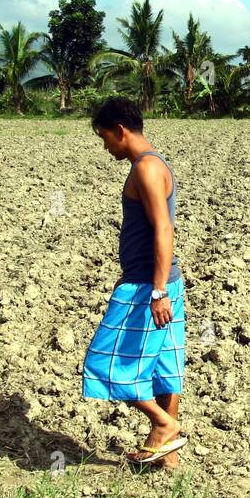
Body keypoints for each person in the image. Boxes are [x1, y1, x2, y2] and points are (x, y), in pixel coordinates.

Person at [82, 96, 187, 469]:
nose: (106, 146)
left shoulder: (145, 167)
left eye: (105, 138)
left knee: (103, 363)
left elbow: (163, 228)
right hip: (163, 281)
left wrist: (156, 290)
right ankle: (168, 457)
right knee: (164, 369)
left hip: (149, 286)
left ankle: (163, 423)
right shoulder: (156, 163)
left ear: (120, 130)